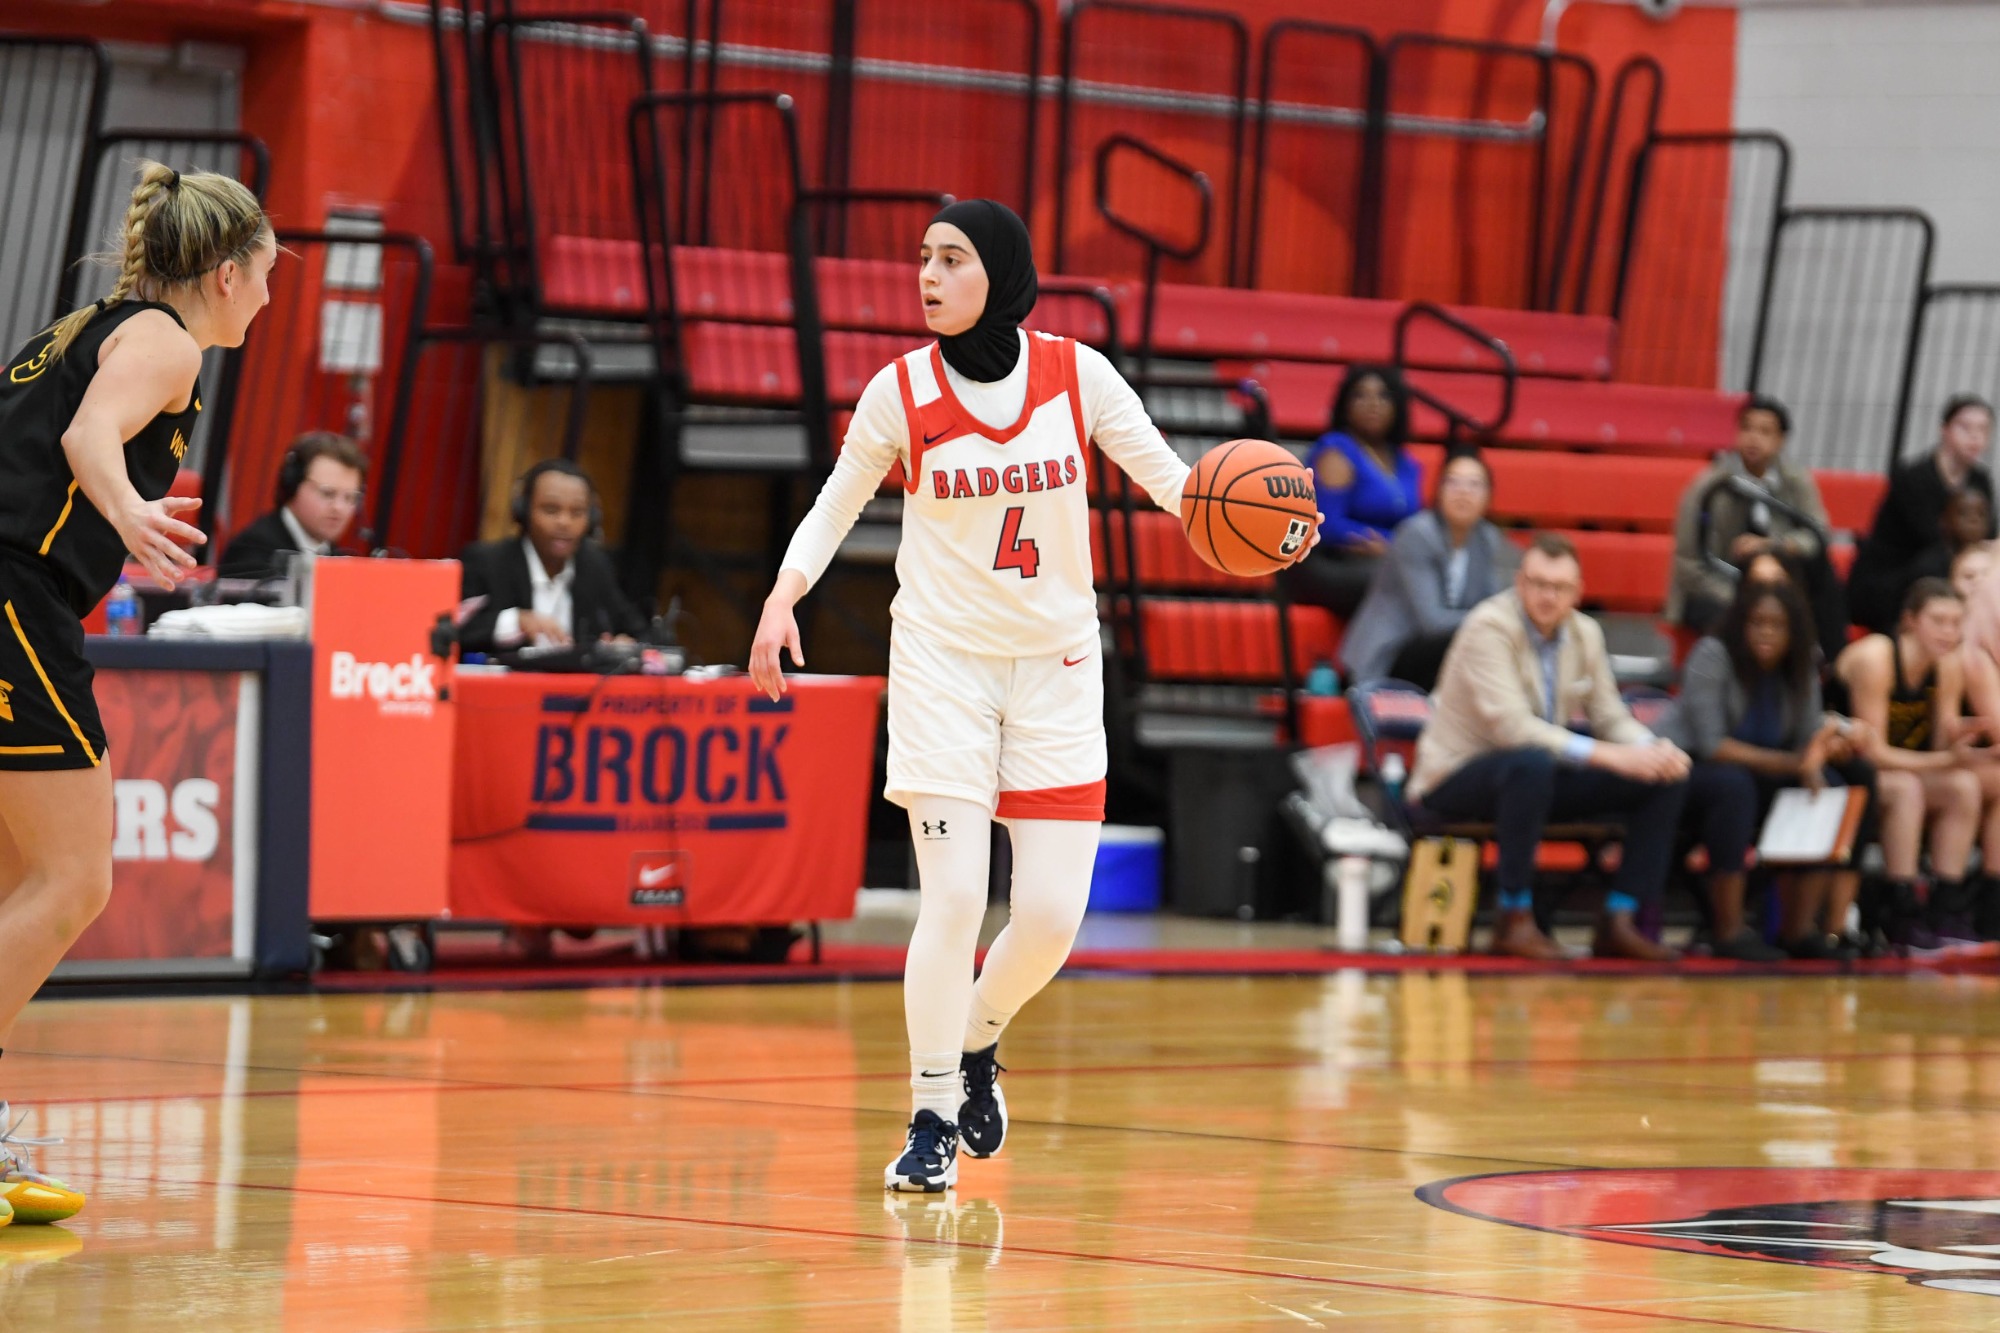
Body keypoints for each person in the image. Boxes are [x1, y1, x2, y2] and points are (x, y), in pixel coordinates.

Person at [747, 199, 1313, 1194]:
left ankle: (975, 1042)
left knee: (1050, 915)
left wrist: (1265, 523)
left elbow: (1177, 486)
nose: (925, 275)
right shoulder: (900, 391)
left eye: (950, 258)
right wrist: (783, 594)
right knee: (957, 895)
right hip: (941, 667)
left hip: (1055, 670)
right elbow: (837, 498)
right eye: (921, 258)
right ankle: (927, 1118)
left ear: (998, 273)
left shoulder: (1074, 374)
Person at [0, 162, 275, 1224]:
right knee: (74, 882)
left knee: (26, 881)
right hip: (18, 594)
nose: (265, 293)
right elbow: (83, 443)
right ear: (222, 273)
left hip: (22, 595)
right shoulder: (163, 338)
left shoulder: (85, 325)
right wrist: (127, 513)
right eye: (264, 273)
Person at [1407, 533, 1692, 962]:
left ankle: (1619, 919)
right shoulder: (1489, 626)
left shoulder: (1585, 633)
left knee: (1659, 779)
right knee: (1531, 764)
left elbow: (1610, 717)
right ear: (1520, 583)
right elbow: (1511, 728)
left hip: (1535, 775)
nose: (1547, 595)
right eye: (1538, 584)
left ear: (1577, 593)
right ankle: (1512, 918)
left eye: (1558, 588)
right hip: (1455, 776)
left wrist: (1653, 749)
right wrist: (1610, 755)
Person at [1662, 577, 1869, 961]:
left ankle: (1799, 930)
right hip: (1688, 768)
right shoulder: (1713, 654)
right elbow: (1711, 744)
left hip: (1758, 773)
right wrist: (1796, 762)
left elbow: (1809, 734)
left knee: (1830, 787)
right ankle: (1728, 929)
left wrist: (1821, 754)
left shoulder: (1802, 662)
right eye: (1757, 622)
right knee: (1733, 787)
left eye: (1777, 625)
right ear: (1742, 624)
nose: (1766, 633)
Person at [1832, 579, 1982, 950]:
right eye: (1939, 620)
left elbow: (1942, 747)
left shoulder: (1946, 665)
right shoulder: (1876, 658)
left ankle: (1947, 909)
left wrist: (1961, 740)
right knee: (1906, 789)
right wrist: (1946, 758)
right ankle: (1900, 911)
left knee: (1964, 787)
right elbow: (1874, 752)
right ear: (1910, 621)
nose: (1949, 632)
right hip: (1843, 769)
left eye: (1956, 622)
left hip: (1899, 769)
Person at [1666, 394, 1845, 660]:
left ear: (1780, 440)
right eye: (1746, 428)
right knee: (1736, 617)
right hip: (1719, 589)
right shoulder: (1708, 487)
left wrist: (1776, 547)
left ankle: (1832, 673)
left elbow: (1818, 535)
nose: (1753, 438)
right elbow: (1690, 566)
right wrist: (1747, 598)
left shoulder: (1796, 481)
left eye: (1764, 431)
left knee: (1824, 573)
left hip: (1780, 585)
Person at [1339, 451, 1517, 691]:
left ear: (1489, 496)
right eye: (1453, 482)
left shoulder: (1487, 539)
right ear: (1438, 490)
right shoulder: (1417, 534)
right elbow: (1432, 622)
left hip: (1439, 657)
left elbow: (1498, 598)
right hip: (1390, 653)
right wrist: (1497, 617)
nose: (1463, 492)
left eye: (1474, 484)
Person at [456, 459, 647, 654]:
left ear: (591, 519)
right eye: (550, 509)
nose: (564, 522)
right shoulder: (487, 562)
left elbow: (641, 631)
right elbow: (452, 631)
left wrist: (626, 643)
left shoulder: (594, 565)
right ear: (523, 511)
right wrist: (517, 621)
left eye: (577, 512)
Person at [1278, 364, 1420, 618]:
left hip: (1384, 561)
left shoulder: (1406, 462)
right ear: (1344, 404)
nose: (1373, 403)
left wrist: (1393, 548)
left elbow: (1413, 526)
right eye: (1360, 395)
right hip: (1325, 562)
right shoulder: (1336, 451)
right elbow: (1327, 525)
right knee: (1401, 581)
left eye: (1384, 395)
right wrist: (1387, 544)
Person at [1849, 395, 1997, 632]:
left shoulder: (1981, 480)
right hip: (1893, 581)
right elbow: (1935, 536)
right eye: (1966, 427)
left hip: (1945, 572)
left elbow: (1987, 535)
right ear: (1944, 430)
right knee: (1945, 562)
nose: (1975, 436)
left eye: (1983, 429)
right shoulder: (1912, 477)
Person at [214, 431, 368, 579]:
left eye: (350, 498)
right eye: (327, 493)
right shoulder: (253, 551)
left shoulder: (337, 558)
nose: (339, 507)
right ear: (292, 485)